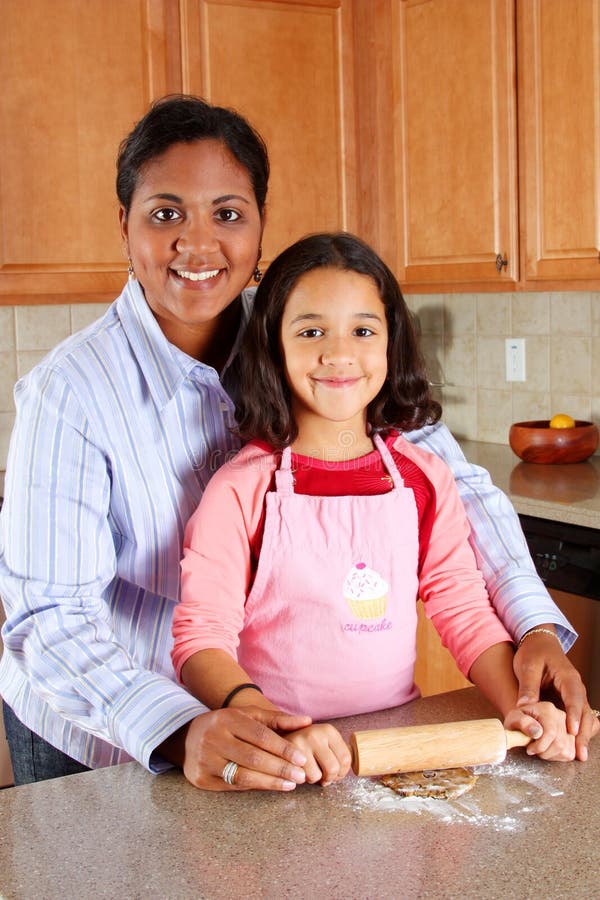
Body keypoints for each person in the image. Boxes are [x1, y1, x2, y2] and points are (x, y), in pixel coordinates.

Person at [0, 96, 595, 792]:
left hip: (289, 749)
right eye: (165, 214)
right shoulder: (70, 391)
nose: (198, 245)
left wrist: (532, 630)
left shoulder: (305, 329)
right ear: (123, 225)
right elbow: (50, 618)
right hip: (106, 733)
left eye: (227, 214)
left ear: (258, 227)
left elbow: (454, 495)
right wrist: (186, 724)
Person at [172, 232, 583, 786]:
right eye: (312, 330)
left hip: (388, 754)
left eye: (363, 330)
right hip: (276, 758)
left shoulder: (423, 478)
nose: (339, 353)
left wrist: (521, 707)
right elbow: (200, 640)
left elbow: (461, 607)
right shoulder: (243, 488)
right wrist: (263, 719)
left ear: (392, 344)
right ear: (273, 346)